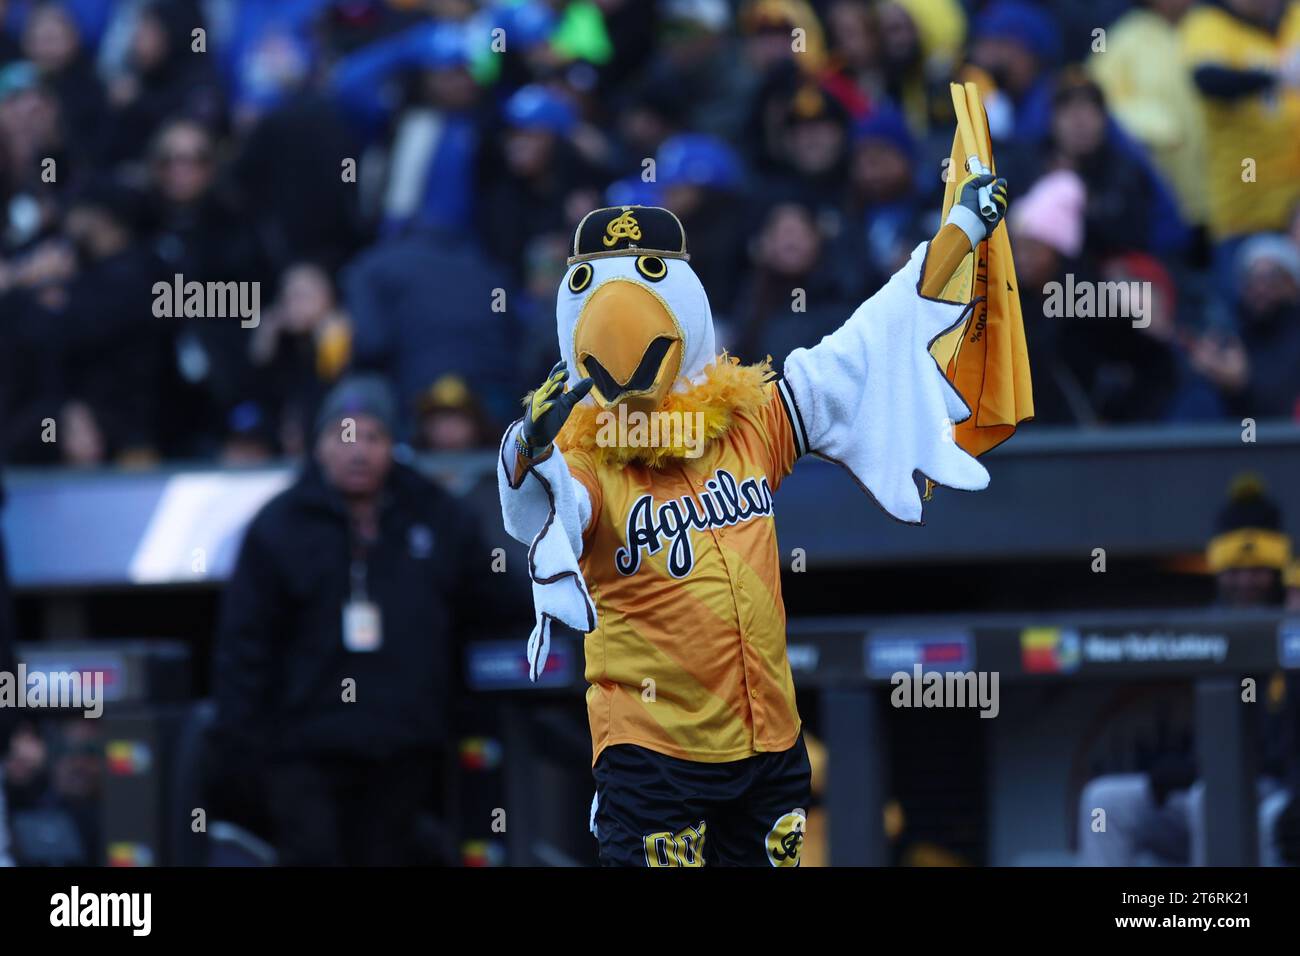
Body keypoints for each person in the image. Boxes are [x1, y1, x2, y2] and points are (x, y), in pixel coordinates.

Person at [499, 177, 1008, 866]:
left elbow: (867, 341)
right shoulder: (584, 458)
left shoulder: (750, 421)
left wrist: (961, 233)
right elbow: (547, 506)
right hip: (653, 748)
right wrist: (527, 446)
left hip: (768, 739)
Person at [208, 375, 516, 865]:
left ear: (393, 445)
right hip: (304, 749)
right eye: (344, 436)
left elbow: (489, 602)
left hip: (403, 750)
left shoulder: (436, 516)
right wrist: (240, 749)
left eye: (372, 437)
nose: (359, 451)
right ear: (319, 446)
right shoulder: (279, 526)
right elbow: (244, 646)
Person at [1077, 475, 1293, 865]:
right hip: (1210, 782)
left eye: (1258, 569)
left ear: (1279, 572)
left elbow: (1278, 747)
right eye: (1235, 570)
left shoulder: (1290, 635)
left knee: (1209, 796)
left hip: (1274, 791)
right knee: (1105, 803)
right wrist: (1181, 764)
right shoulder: (1208, 626)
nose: (1246, 581)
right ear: (1218, 570)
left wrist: (1202, 770)